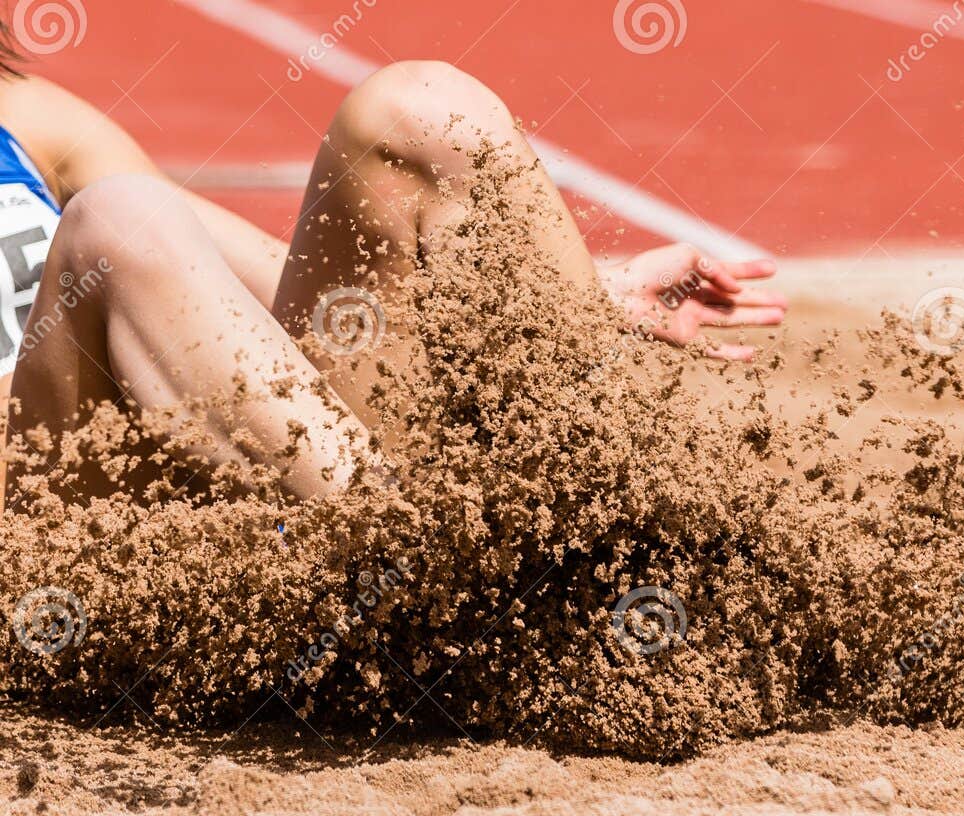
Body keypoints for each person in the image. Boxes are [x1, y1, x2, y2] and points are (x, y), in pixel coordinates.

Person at [0, 21, 787, 504]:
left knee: (418, 106)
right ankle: (416, 577)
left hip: (236, 463)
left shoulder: (33, 120)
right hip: (48, 517)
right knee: (117, 223)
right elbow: (137, 255)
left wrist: (564, 300)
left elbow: (229, 293)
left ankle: (605, 526)